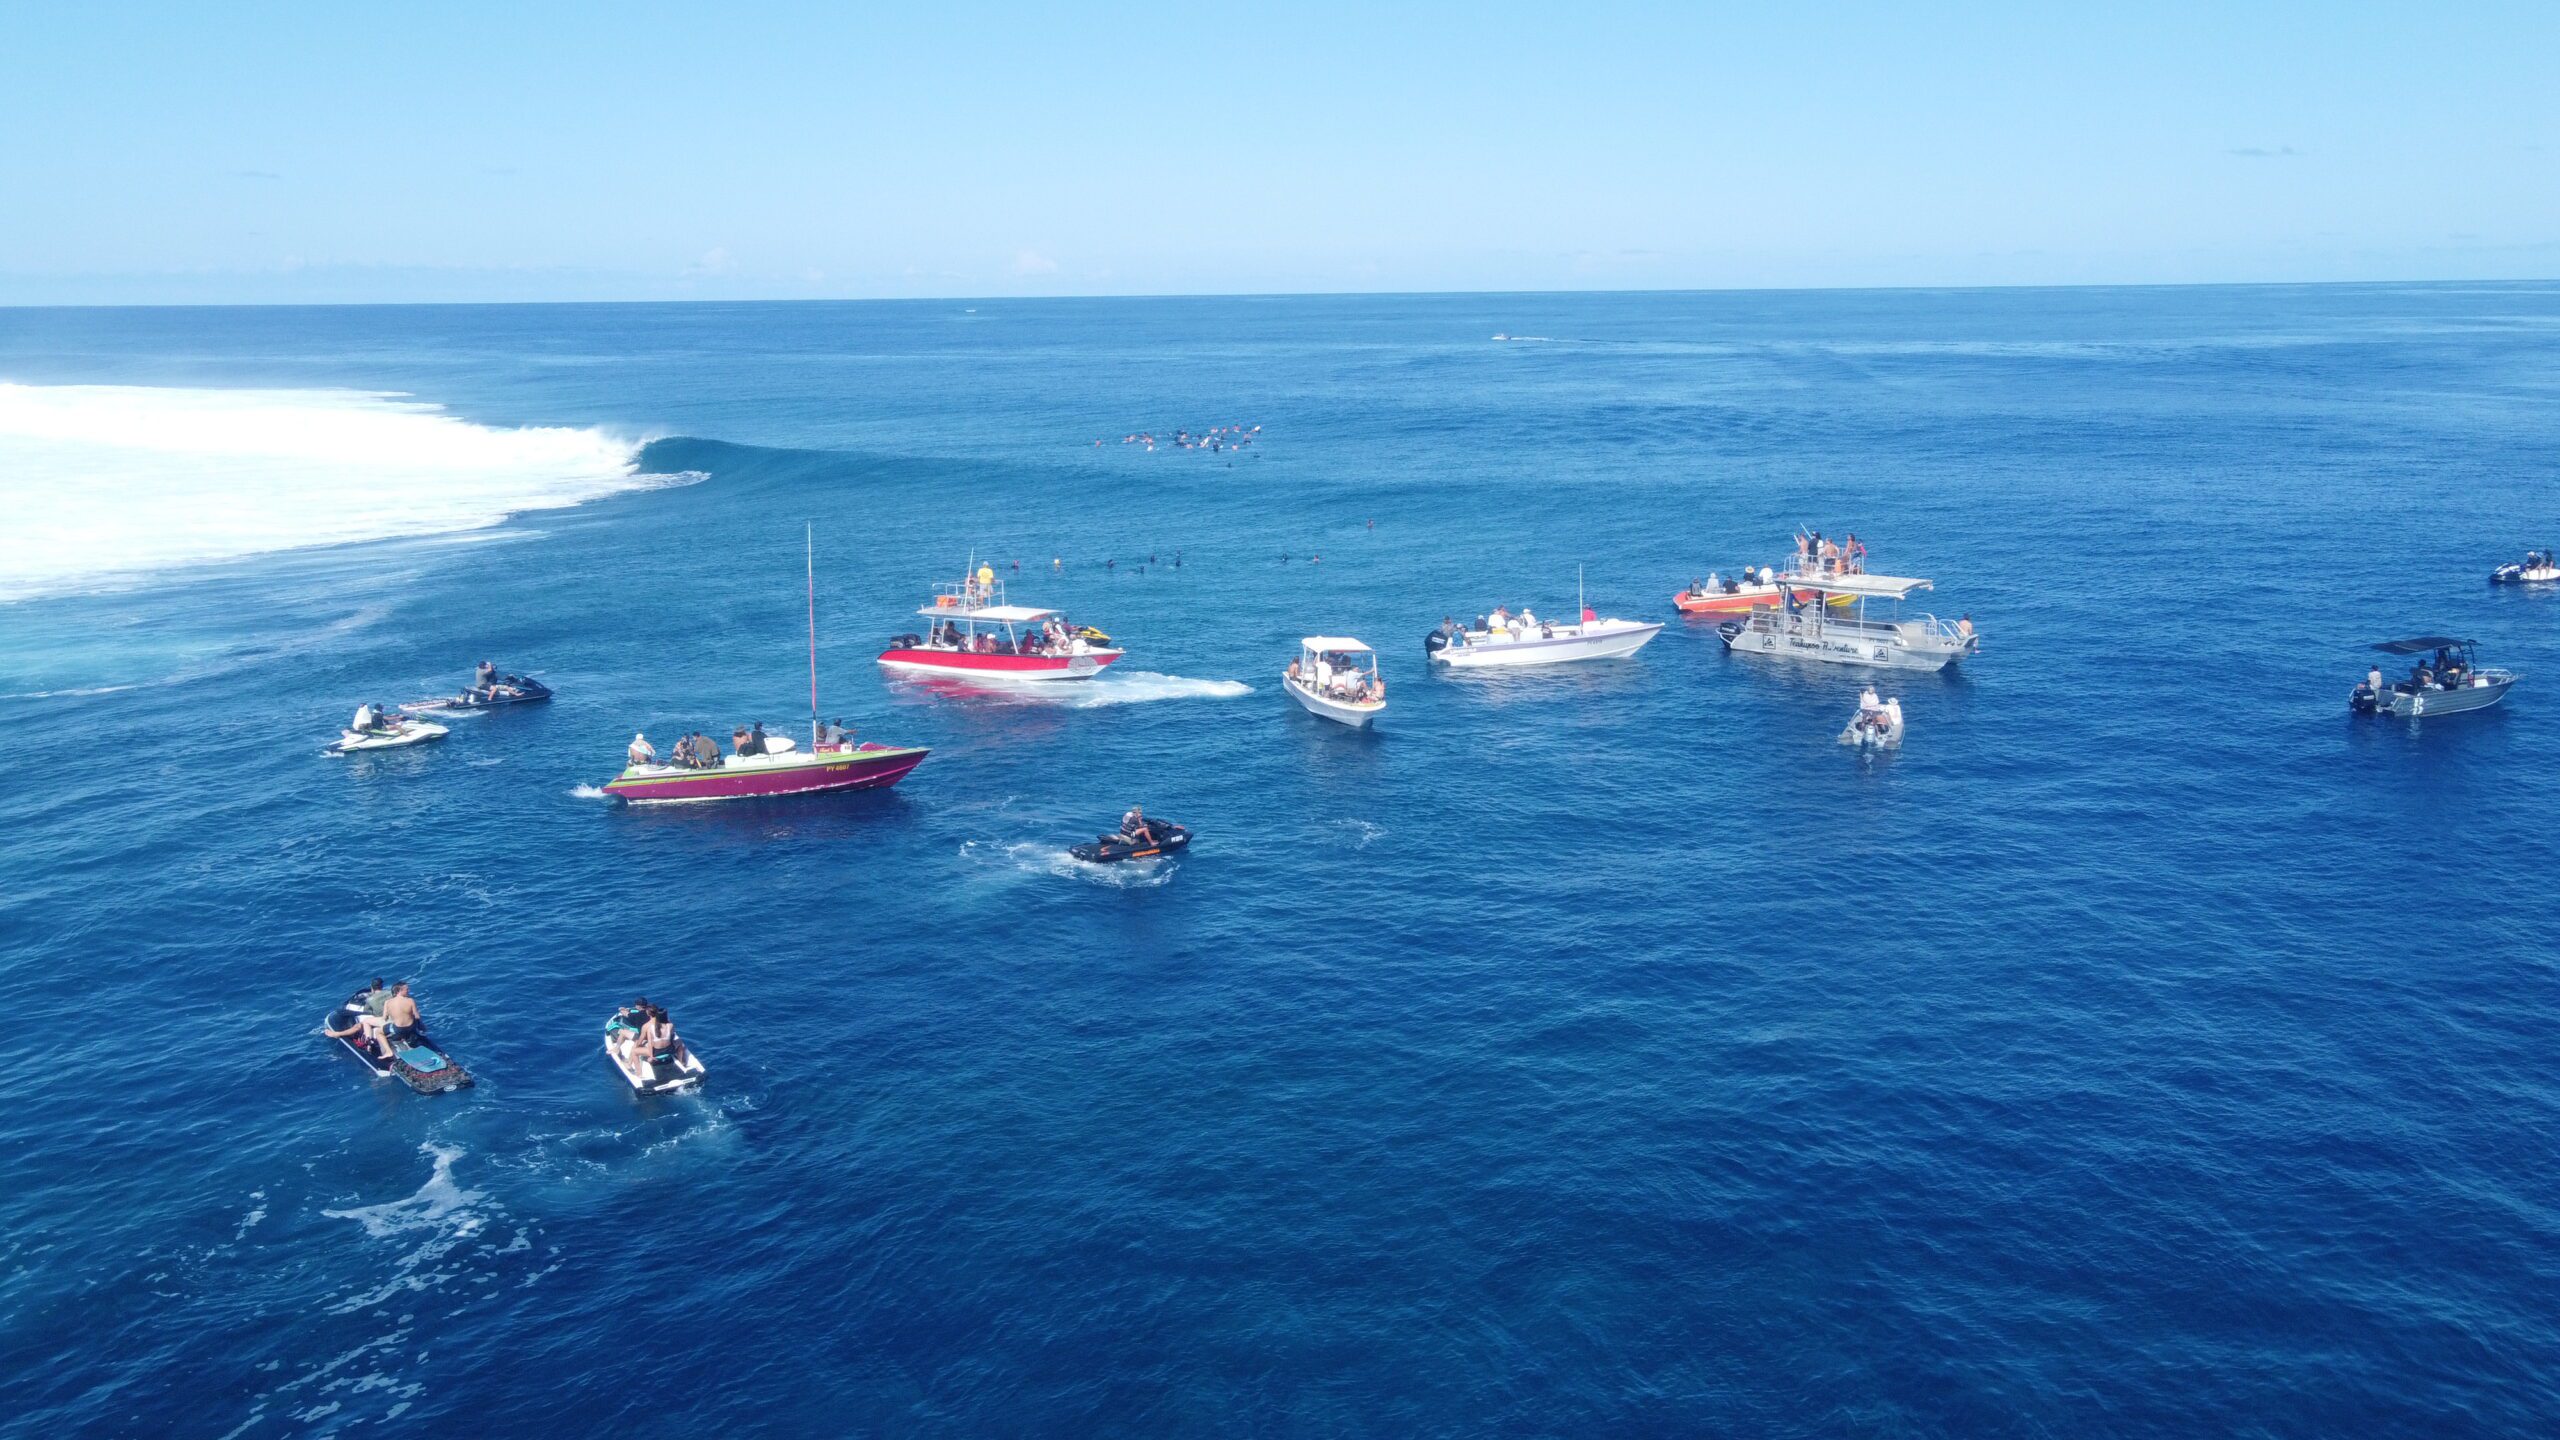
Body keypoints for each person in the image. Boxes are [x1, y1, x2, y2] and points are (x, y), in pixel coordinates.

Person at [381, 983, 423, 1053]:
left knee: (379, 1032)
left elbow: (385, 1018)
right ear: (399, 991)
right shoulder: (411, 1000)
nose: (408, 991)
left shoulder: (387, 1002)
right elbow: (417, 1016)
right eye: (407, 989)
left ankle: (388, 1052)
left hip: (398, 1030)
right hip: (411, 1028)